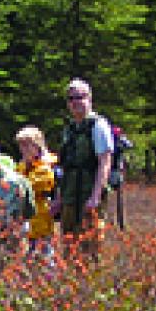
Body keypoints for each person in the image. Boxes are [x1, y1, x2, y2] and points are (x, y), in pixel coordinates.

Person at [52, 78, 113, 256]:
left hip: (89, 193)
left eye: (80, 97)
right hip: (70, 195)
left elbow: (104, 162)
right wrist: (59, 197)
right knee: (69, 243)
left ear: (89, 99)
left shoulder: (98, 126)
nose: (75, 102)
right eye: (71, 98)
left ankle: (91, 282)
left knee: (90, 244)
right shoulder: (69, 129)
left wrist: (95, 197)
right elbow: (64, 166)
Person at [15, 126, 58, 257]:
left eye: (27, 145)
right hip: (25, 222)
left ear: (37, 145)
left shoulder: (47, 167)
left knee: (45, 258)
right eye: (21, 146)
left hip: (42, 220)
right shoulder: (22, 166)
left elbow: (28, 186)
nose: (23, 150)